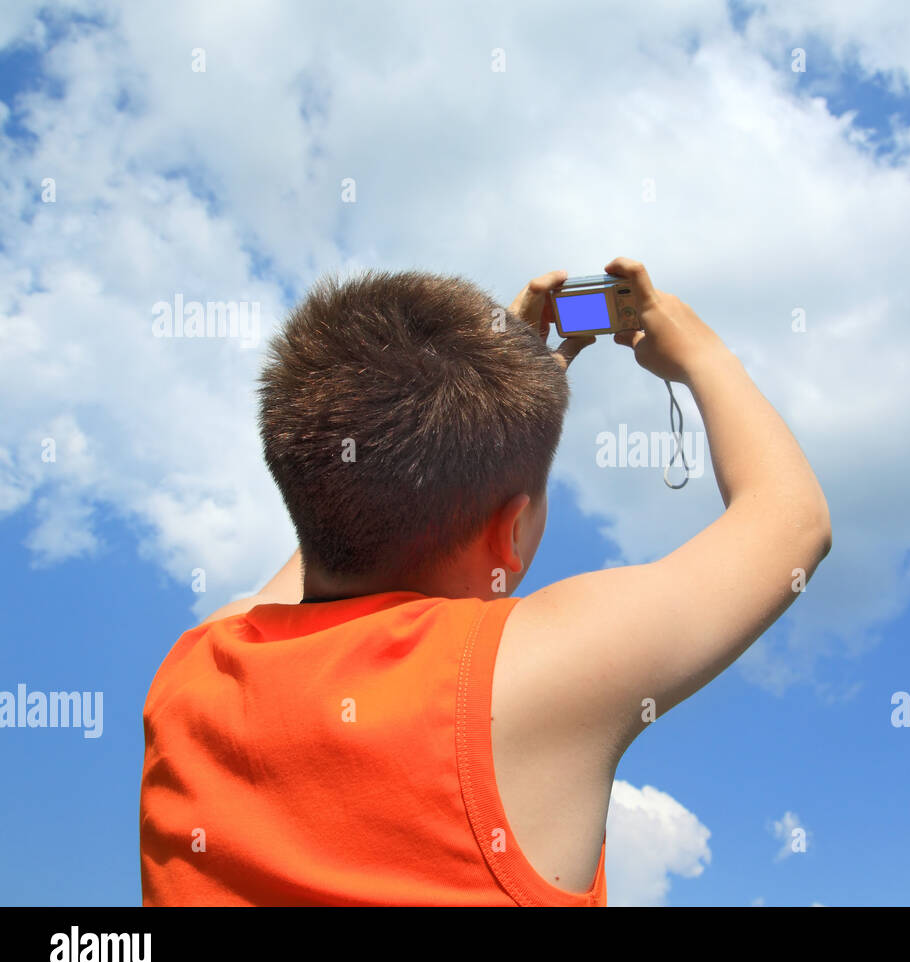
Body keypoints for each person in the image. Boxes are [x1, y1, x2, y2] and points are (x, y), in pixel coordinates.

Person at [139, 257, 831, 906]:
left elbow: (327, 513)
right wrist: (704, 354)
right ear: (512, 533)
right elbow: (793, 525)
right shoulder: (517, 673)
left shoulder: (193, 670)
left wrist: (466, 379)